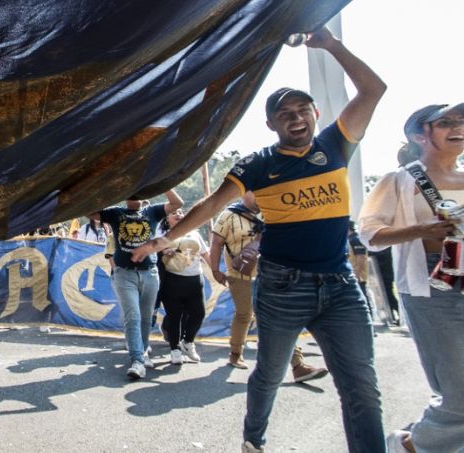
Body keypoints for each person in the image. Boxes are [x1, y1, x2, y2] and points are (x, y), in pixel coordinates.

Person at [131, 28, 386, 453]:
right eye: (284, 113)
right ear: (270, 123)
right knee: (269, 373)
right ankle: (253, 441)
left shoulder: (337, 145)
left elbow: (373, 89)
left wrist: (333, 46)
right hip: (284, 287)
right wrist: (163, 240)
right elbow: (211, 206)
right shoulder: (257, 165)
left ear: (317, 114)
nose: (296, 117)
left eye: (303, 109)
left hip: (340, 287)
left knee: (362, 388)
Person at [359, 102, 464, 453]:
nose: (458, 127)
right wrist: (421, 229)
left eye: (462, 121)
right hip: (433, 286)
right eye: (446, 122)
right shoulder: (401, 180)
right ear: (420, 134)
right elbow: (369, 234)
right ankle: (411, 445)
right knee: (458, 393)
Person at [208, 192, 330, 382]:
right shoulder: (229, 215)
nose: (257, 195)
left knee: (279, 317)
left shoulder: (270, 211)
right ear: (244, 194)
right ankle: (235, 353)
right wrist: (215, 269)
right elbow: (216, 243)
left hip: (272, 273)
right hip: (240, 275)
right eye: (253, 192)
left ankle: (298, 365)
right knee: (244, 314)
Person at [91, 190, 183, 380]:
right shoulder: (116, 213)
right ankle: (137, 361)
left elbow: (177, 203)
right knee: (132, 316)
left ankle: (141, 352)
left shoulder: (153, 212)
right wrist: (107, 188)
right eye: (133, 192)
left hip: (150, 273)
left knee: (145, 317)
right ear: (126, 196)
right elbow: (91, 212)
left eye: (140, 192)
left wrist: (163, 184)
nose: (136, 196)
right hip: (124, 274)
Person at [159, 208, 210, 365]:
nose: (179, 215)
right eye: (174, 213)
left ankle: (187, 342)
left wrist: (216, 271)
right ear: (167, 219)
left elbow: (205, 253)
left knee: (198, 314)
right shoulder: (162, 236)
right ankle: (174, 349)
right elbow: (151, 254)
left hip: (195, 280)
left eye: (181, 212)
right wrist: (162, 252)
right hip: (172, 280)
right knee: (175, 317)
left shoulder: (195, 233)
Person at [370, 247, 400, 326]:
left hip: (383, 276)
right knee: (387, 295)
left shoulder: (383, 249)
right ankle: (391, 315)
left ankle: (395, 315)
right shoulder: (388, 248)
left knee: (388, 295)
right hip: (385, 275)